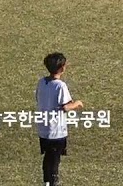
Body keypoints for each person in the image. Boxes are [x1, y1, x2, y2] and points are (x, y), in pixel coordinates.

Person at [36, 52, 84, 186]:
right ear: (62, 68)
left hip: (43, 127)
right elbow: (66, 107)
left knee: (48, 157)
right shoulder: (60, 86)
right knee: (54, 160)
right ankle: (52, 182)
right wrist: (78, 103)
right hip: (56, 130)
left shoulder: (42, 82)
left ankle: (46, 180)